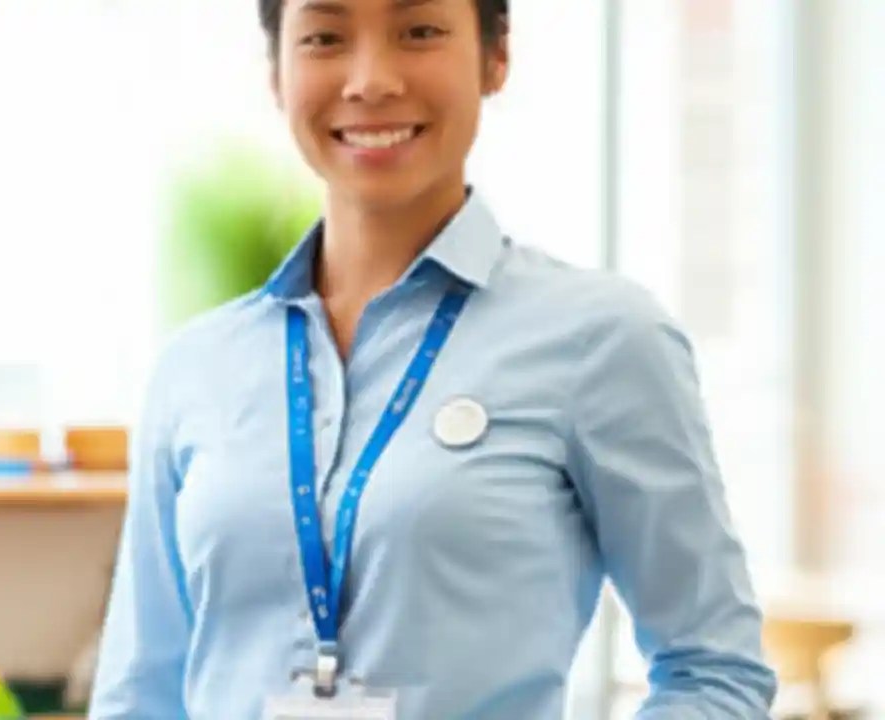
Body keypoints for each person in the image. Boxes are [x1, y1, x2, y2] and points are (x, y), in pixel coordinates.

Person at [89, 0, 777, 717]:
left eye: (418, 31)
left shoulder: (602, 341)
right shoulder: (196, 369)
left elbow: (713, 672)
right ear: (276, 72)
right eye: (325, 37)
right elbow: (140, 695)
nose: (371, 80)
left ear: (495, 55)